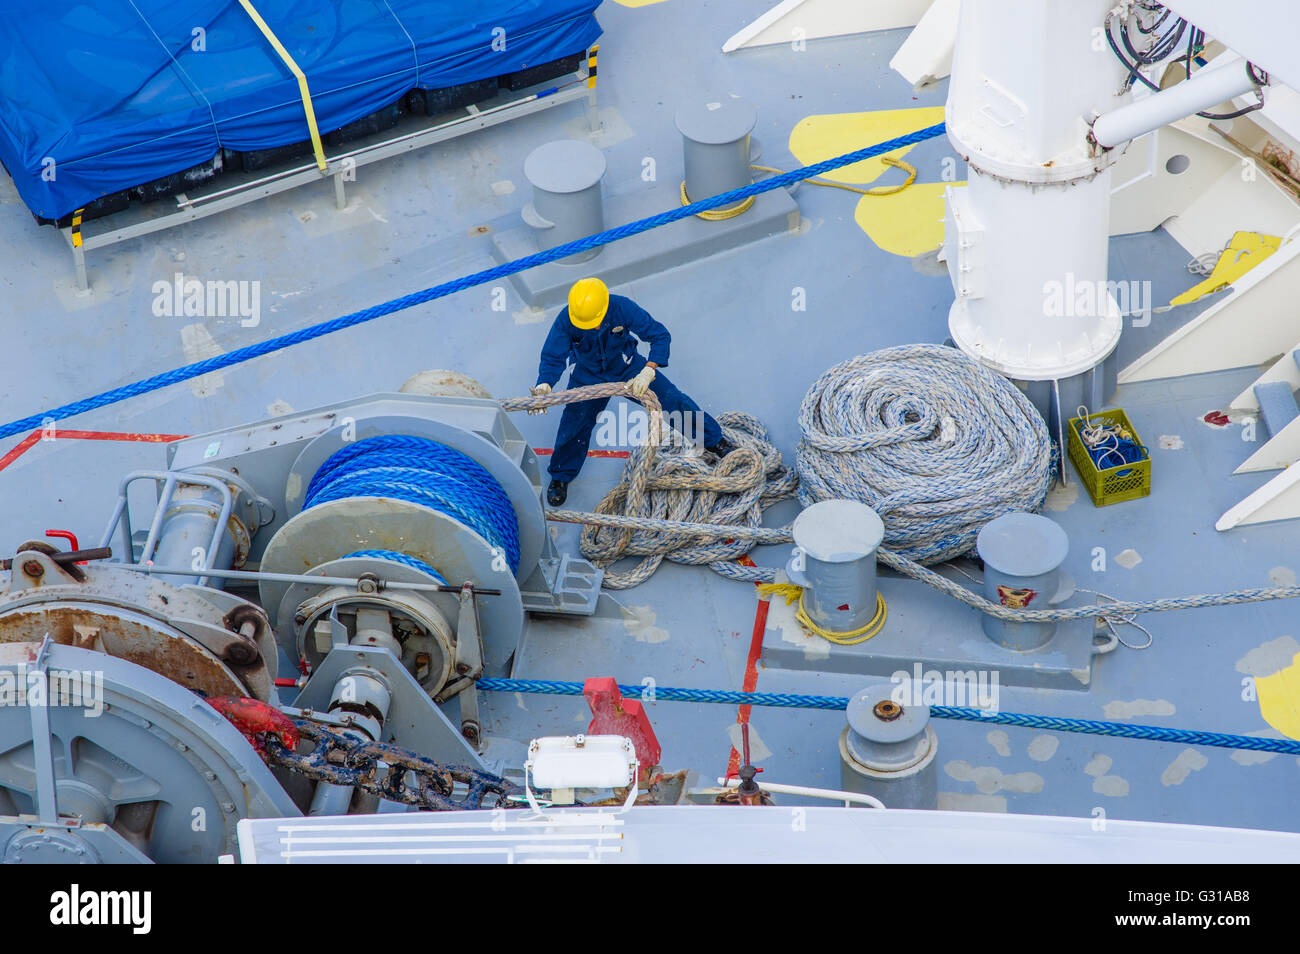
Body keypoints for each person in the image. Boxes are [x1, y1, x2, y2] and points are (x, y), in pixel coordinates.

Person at [529, 277, 736, 506]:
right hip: (587, 375)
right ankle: (561, 476)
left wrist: (649, 369)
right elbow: (552, 356)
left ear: (605, 307)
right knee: (574, 423)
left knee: (673, 401)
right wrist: (544, 385)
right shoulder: (567, 319)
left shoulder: (622, 307)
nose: (593, 327)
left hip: (628, 368)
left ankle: (713, 440)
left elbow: (659, 335)